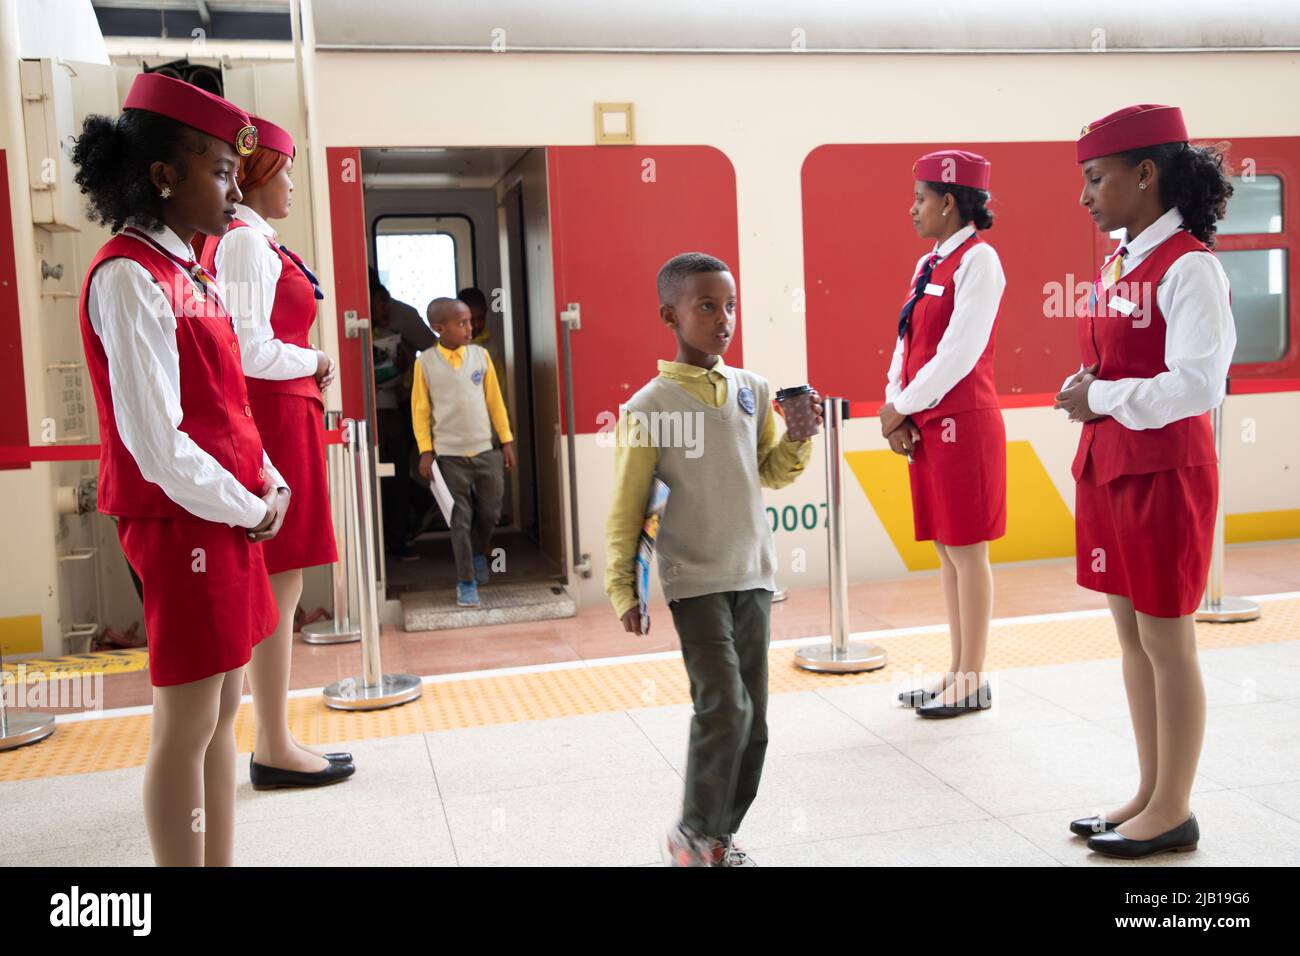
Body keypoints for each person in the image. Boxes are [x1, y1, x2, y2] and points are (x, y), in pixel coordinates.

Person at [72, 72, 286, 865]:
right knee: (186, 723)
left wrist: (270, 478)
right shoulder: (129, 276)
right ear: (164, 176)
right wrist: (249, 503)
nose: (235, 190)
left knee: (222, 709)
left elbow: (226, 403)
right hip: (184, 518)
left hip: (225, 509)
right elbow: (156, 444)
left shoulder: (187, 269)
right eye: (221, 170)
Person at [1055, 104, 1236, 858]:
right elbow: (1127, 360)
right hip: (1111, 465)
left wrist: (1098, 397)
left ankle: (1176, 808)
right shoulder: (1119, 262)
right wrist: (1093, 386)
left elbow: (1199, 384)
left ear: (1146, 173)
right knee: (1131, 637)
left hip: (1164, 470)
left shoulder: (1190, 265)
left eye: (1096, 179)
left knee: (1168, 640)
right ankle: (1148, 790)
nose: (1086, 195)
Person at [604, 252, 819, 866]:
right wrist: (625, 589)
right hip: (692, 580)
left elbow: (771, 473)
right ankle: (691, 834)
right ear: (668, 314)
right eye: (706, 307)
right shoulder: (647, 407)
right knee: (724, 705)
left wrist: (799, 435)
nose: (723, 319)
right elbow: (627, 507)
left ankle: (719, 836)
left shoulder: (752, 390)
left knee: (755, 724)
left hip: (753, 575)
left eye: (729, 306)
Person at [200, 115, 354, 789]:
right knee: (276, 583)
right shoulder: (243, 247)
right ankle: (270, 744)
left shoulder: (254, 242)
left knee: (280, 586)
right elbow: (250, 347)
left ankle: (274, 737)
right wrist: (317, 355)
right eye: (287, 170)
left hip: (286, 418)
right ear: (259, 175)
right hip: (273, 422)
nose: (293, 183)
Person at [878, 150, 1007, 718]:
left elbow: (959, 352)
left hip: (965, 424)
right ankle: (955, 671)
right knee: (946, 552)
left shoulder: (981, 262)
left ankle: (974, 677)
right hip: (928, 421)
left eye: (920, 199)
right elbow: (906, 342)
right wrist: (895, 405)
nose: (912, 210)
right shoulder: (928, 264)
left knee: (967, 550)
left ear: (949, 202)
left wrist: (902, 407)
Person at [412, 298, 517, 607]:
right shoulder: (425, 363)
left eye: (470, 321)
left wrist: (507, 441)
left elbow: (495, 403)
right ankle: (466, 580)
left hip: (487, 451)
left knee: (489, 513)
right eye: (462, 323)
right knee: (459, 519)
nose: (470, 328)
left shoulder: (480, 357)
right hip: (449, 456)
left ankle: (478, 551)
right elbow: (420, 411)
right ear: (439, 328)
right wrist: (425, 451)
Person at [369, 270, 436, 560]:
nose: (386, 309)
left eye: (387, 303)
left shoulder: (401, 322)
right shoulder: (359, 330)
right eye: (380, 303)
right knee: (383, 478)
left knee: (395, 476)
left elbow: (434, 353)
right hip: (370, 414)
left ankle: (398, 540)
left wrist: (405, 367)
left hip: (394, 408)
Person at [458, 286, 507, 404]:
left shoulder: (491, 349)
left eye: (480, 318)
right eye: (470, 320)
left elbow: (500, 391)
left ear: (486, 312)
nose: (476, 325)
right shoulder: (445, 347)